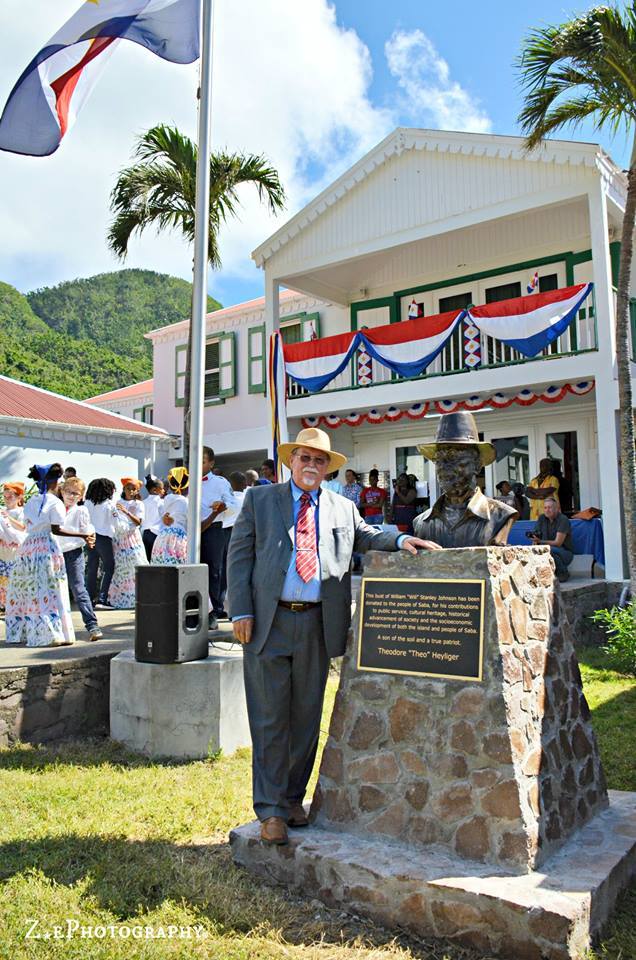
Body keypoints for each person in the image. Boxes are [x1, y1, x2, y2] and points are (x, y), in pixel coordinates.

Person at [227, 427, 441, 846]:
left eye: (319, 460)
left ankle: (291, 799)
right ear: (292, 461)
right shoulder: (260, 500)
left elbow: (368, 535)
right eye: (304, 457)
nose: (311, 465)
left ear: (328, 468)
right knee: (271, 720)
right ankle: (269, 810)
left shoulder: (343, 507)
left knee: (306, 719)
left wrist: (399, 538)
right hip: (268, 624)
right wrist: (241, 610)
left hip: (317, 625)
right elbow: (239, 557)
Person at [5, 464, 84, 647]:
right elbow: (57, 529)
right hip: (46, 547)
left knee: (31, 587)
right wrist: (82, 535)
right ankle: (50, 633)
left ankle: (26, 631)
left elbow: (28, 523)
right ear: (56, 481)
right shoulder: (55, 502)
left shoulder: (32, 500)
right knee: (49, 588)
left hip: (29, 547)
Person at [414, 412, 518, 547]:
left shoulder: (501, 516)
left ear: (477, 465)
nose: (444, 467)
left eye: (453, 458)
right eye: (439, 460)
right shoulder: (421, 522)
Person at [57, 477, 102, 641]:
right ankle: (57, 627)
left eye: (75, 493)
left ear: (81, 496)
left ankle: (92, 625)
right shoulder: (56, 508)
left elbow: (88, 528)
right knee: (54, 589)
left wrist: (90, 537)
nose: (71, 496)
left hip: (73, 552)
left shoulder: (81, 510)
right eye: (68, 492)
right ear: (62, 492)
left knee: (78, 588)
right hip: (56, 552)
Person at [200, 446, 237, 628]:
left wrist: (223, 506)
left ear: (211, 463)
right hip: (190, 530)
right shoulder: (185, 481)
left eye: (203, 461)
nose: (198, 465)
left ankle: (214, 611)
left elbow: (233, 504)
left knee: (214, 571)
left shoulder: (220, 483)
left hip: (214, 529)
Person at [109, 478, 147, 609]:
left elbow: (139, 522)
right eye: (128, 488)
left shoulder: (139, 504)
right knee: (121, 567)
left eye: (133, 489)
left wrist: (126, 511)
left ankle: (138, 596)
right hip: (120, 538)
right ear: (124, 489)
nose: (131, 491)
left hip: (132, 538)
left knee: (136, 564)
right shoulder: (118, 502)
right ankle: (121, 598)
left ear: (137, 491)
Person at [85, 478, 118, 608]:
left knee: (92, 568)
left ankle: (89, 598)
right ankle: (102, 598)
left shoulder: (87, 503)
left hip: (90, 537)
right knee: (108, 567)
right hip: (104, 538)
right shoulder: (109, 504)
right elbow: (116, 523)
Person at [530, 497, 574, 582]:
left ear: (557, 509)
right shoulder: (542, 518)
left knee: (548, 550)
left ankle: (563, 573)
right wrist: (534, 542)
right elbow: (536, 535)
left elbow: (558, 543)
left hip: (565, 552)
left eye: (550, 507)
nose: (547, 510)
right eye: (545, 508)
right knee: (534, 550)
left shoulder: (563, 519)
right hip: (548, 549)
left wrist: (540, 542)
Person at [152, 467, 189, 565]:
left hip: (163, 536)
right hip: (179, 538)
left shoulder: (167, 498)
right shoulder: (186, 502)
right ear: (185, 486)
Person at [0, 482, 26, 608]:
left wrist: (8, 518)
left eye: (10, 496)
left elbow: (23, 528)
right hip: (3, 550)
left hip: (16, 551)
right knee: (2, 580)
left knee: (14, 580)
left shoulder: (21, 512)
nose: (7, 499)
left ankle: (16, 606)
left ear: (19, 497)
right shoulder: (2, 510)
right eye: (5, 496)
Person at [141, 475, 165, 560]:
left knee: (148, 560)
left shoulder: (143, 502)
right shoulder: (161, 502)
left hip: (145, 534)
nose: (163, 490)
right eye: (161, 488)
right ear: (155, 490)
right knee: (156, 560)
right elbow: (164, 518)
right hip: (156, 534)